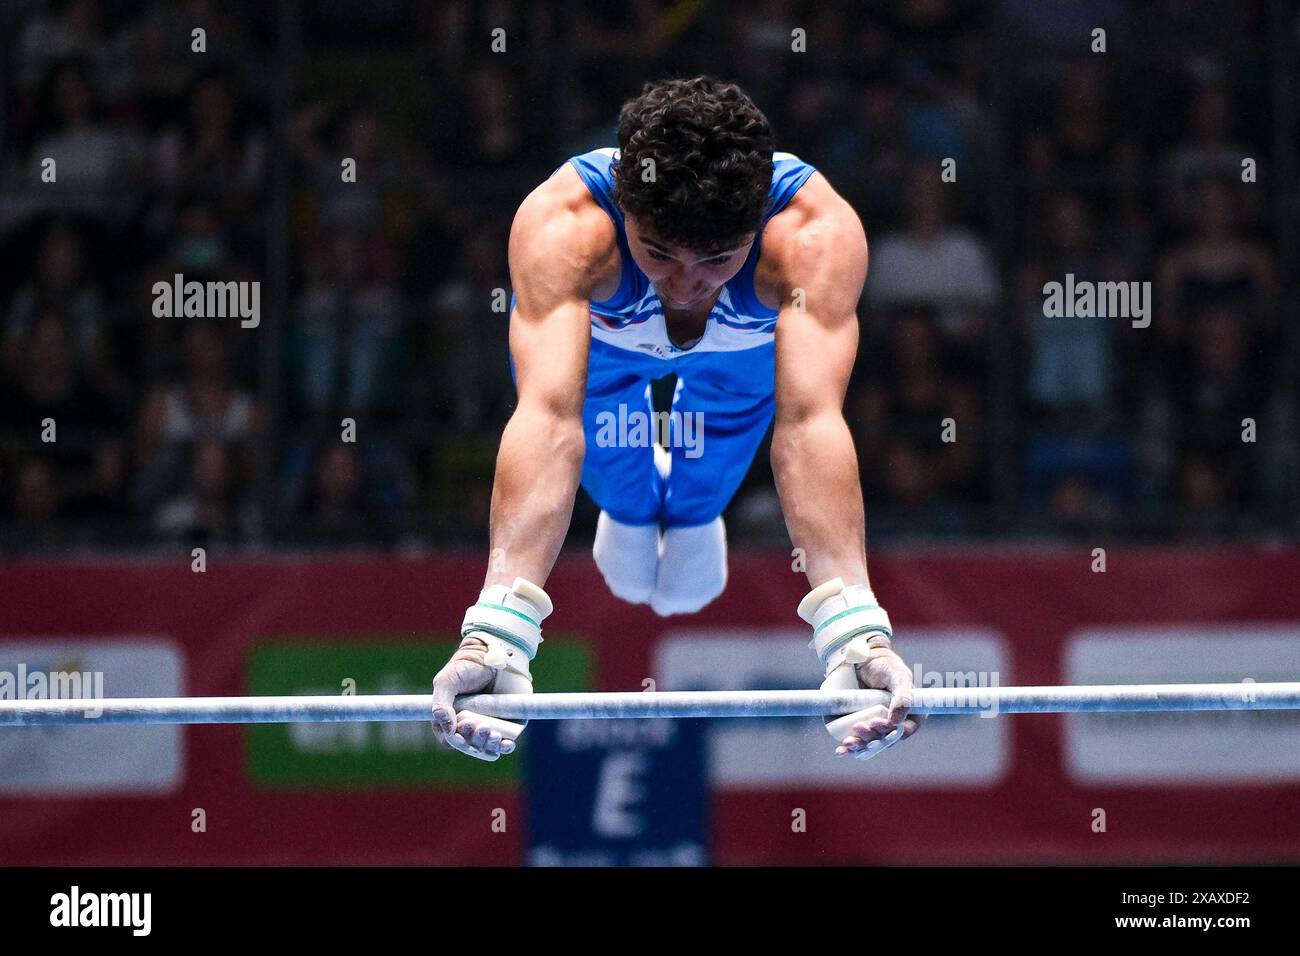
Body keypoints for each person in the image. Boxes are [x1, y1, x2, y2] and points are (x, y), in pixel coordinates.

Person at [432, 76, 924, 763]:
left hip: (738, 356)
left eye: (717, 260)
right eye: (659, 252)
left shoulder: (813, 236)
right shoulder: (566, 227)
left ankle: (690, 513)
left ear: (755, 226)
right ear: (625, 207)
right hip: (606, 355)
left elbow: (809, 425)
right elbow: (548, 420)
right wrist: (496, 633)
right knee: (624, 510)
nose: (686, 284)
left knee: (695, 529)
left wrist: (856, 636)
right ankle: (634, 511)